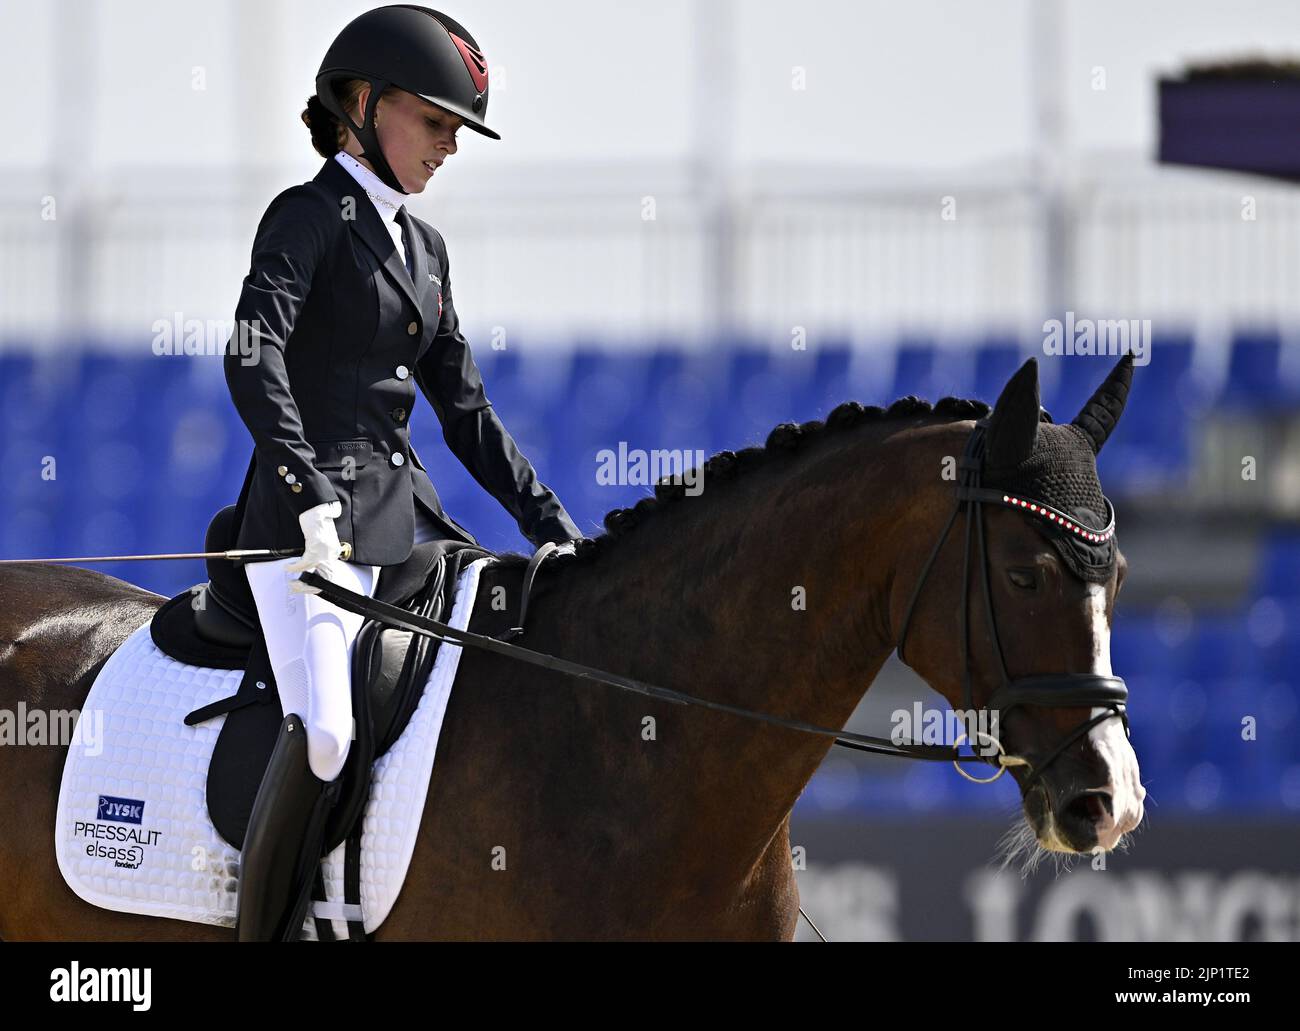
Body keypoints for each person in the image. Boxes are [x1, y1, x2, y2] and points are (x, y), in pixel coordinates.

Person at [223, 5, 582, 941]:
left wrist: (552, 525)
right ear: (360, 103)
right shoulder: (305, 219)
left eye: (456, 129)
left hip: (406, 525)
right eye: (435, 121)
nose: (449, 146)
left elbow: (465, 409)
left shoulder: (425, 251)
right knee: (331, 733)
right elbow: (251, 354)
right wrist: (304, 491)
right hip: (300, 532)